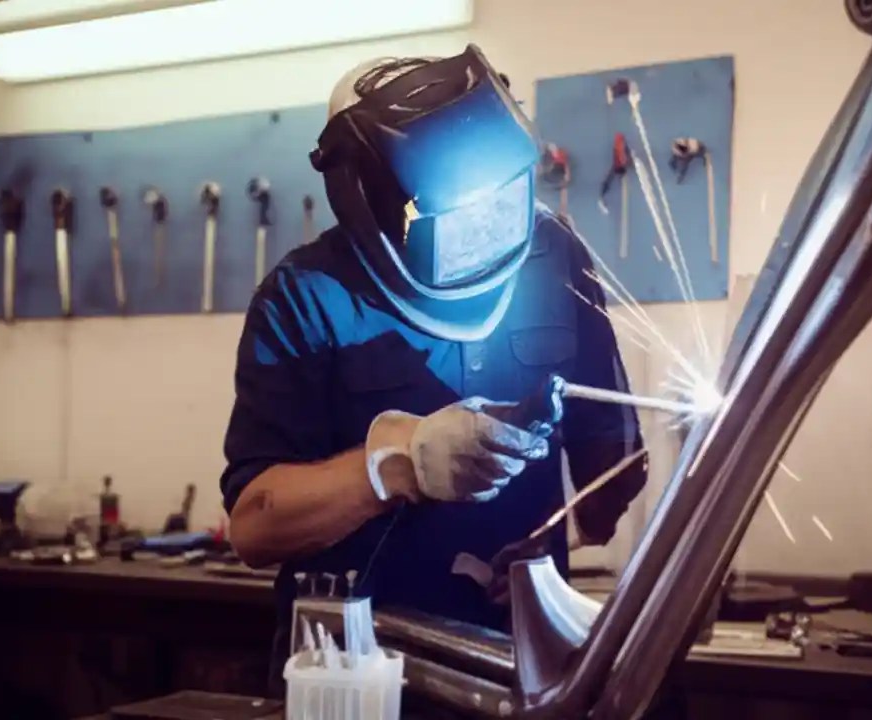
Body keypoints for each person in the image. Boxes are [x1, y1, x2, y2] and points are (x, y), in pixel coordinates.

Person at [218, 45, 646, 688]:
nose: (483, 227)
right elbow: (254, 527)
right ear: (365, 194)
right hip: (357, 676)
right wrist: (397, 465)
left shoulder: (556, 257)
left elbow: (612, 460)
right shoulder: (305, 297)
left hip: (520, 670)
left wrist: (558, 538)